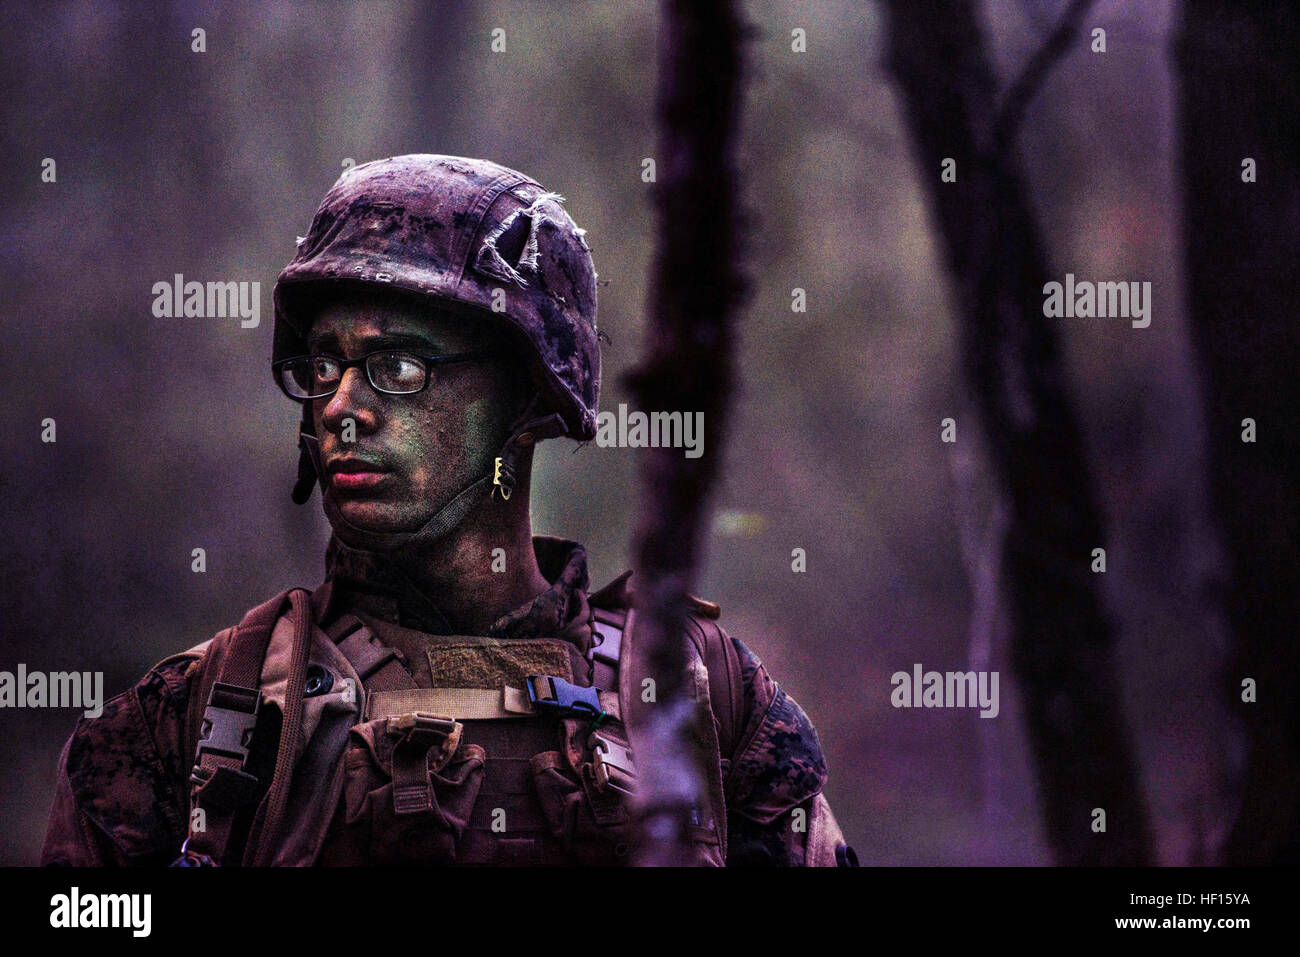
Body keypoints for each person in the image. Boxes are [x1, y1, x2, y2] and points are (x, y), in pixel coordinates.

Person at [41, 154, 855, 867]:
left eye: (398, 366)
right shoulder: (195, 715)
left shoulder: (700, 696)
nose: (340, 407)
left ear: (528, 394)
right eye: (325, 365)